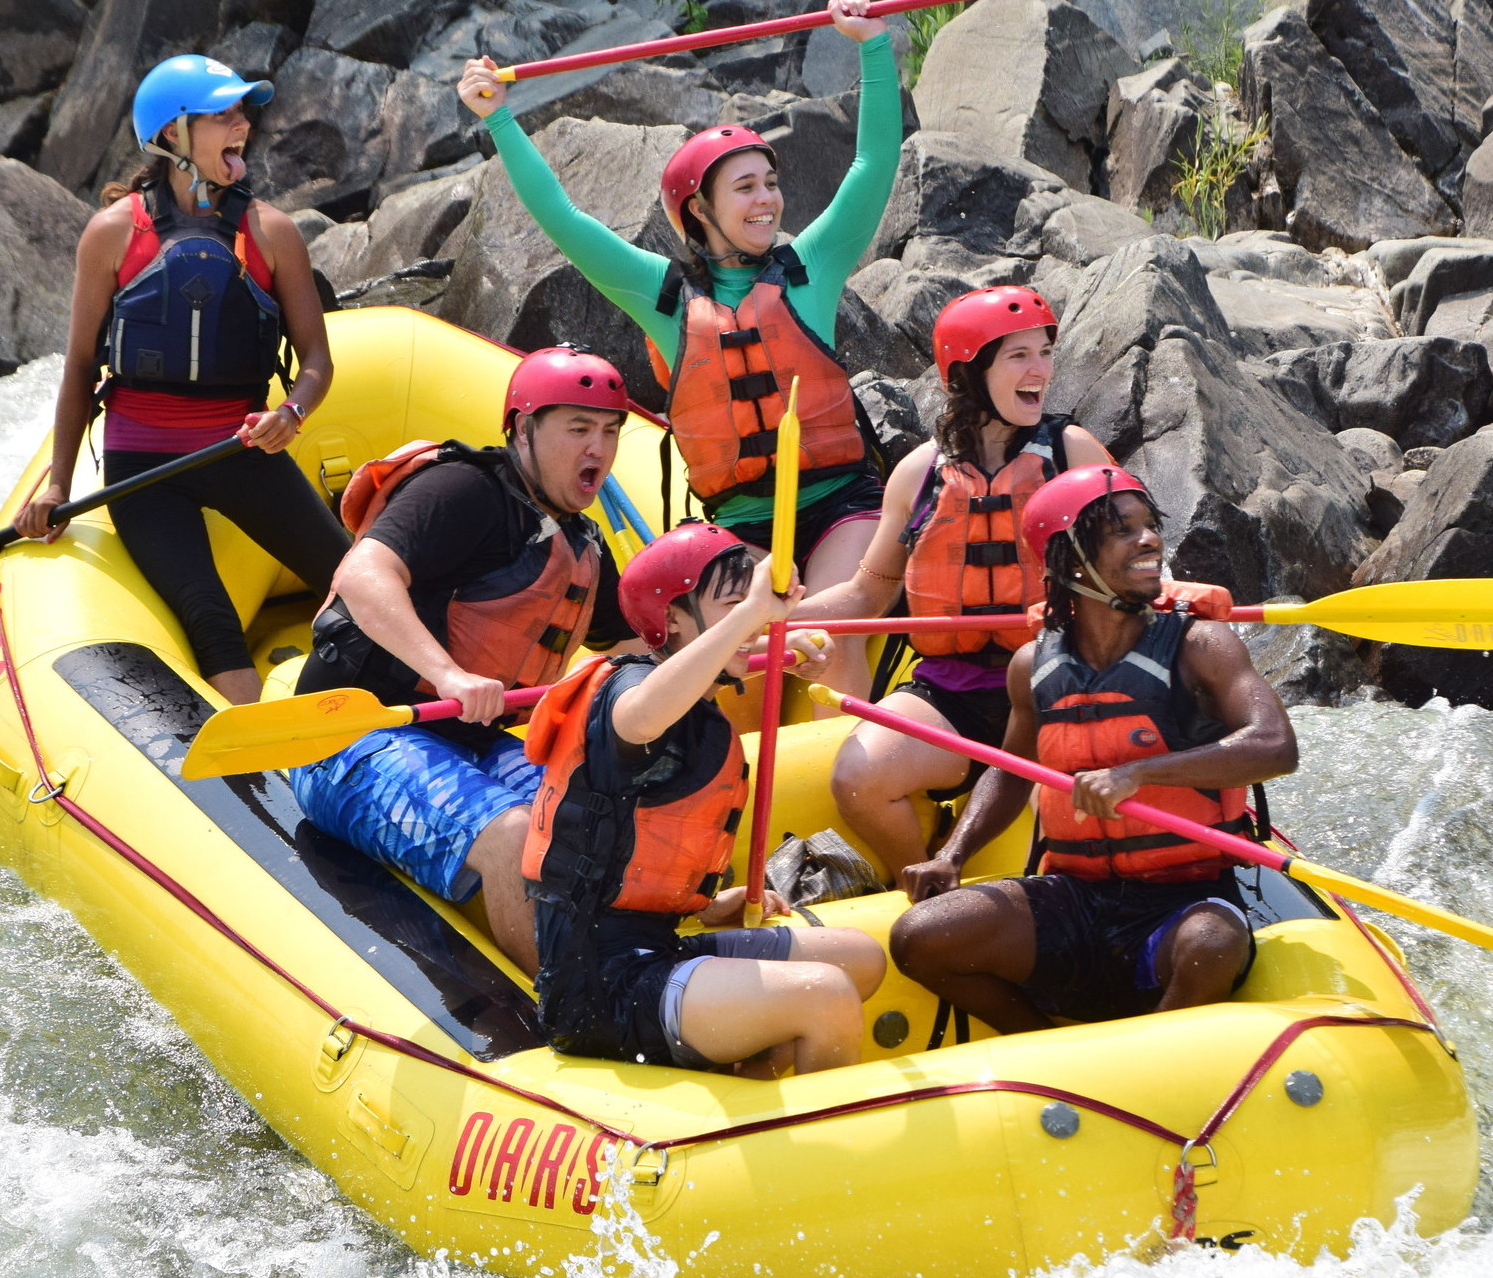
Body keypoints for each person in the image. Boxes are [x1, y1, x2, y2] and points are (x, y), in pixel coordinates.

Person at [456, 0, 903, 698]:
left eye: (771, 183)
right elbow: (563, 219)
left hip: (842, 502)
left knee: (828, 639)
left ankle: (841, 741)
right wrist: (499, 119)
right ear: (698, 209)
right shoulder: (666, 299)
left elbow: (874, 163)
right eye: (745, 187)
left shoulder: (809, 269)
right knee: (721, 665)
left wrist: (872, 46)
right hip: (738, 523)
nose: (767, 200)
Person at [888, 465, 1298, 1034]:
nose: (1149, 540)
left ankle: (1152, 1061)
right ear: (1071, 560)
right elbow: (1010, 773)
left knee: (1211, 946)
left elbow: (1276, 745)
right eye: (1122, 530)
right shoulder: (1032, 665)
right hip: (1075, 897)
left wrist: (1138, 773)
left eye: (1149, 526)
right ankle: (1042, 1048)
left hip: (1187, 897)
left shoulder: (1201, 646)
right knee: (920, 937)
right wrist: (952, 855)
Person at [290, 346, 640, 975]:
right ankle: (569, 1010)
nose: (599, 448)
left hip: (467, 743)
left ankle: (638, 968)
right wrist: (448, 675)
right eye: (579, 429)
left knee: (607, 818)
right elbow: (362, 575)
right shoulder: (462, 490)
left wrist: (749, 649)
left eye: (610, 432)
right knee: (514, 834)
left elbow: (637, 650)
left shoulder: (580, 539)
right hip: (350, 739)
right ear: (523, 430)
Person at [14, 53, 348, 706]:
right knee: (209, 616)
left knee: (352, 583)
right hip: (145, 468)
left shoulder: (272, 232)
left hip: (241, 449)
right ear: (173, 133)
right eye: (223, 115)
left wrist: (292, 414)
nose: (242, 124)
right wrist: (58, 483)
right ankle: (257, 755)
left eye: (242, 112)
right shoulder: (112, 233)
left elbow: (316, 360)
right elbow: (80, 366)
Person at [526, 520, 886, 1075]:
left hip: (656, 947)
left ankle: (758, 1089)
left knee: (860, 959)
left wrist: (707, 905)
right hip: (601, 986)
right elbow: (641, 716)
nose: (753, 619)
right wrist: (755, 614)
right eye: (733, 605)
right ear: (671, 618)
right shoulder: (630, 693)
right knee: (826, 993)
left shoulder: (694, 696)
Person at [792, 288, 1112, 884]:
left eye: (1045, 352)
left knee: (1067, 821)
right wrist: (768, 618)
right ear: (968, 373)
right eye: (1019, 356)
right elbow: (867, 594)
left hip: (1055, 685)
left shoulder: (1073, 453)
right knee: (857, 778)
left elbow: (1133, 567)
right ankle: (924, 888)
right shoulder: (919, 473)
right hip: (951, 692)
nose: (1041, 370)